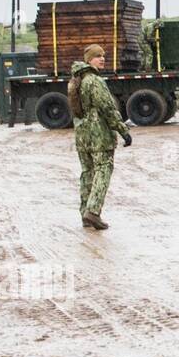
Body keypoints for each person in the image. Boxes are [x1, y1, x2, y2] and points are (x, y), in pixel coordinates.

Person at [67, 44, 132, 231]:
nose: (102, 59)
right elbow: (108, 108)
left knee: (87, 172)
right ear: (89, 60)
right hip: (98, 134)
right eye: (98, 56)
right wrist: (123, 130)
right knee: (103, 169)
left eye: (103, 55)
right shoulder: (94, 81)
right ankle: (93, 212)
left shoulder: (76, 80)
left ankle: (84, 213)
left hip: (82, 135)